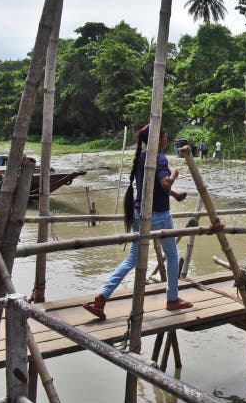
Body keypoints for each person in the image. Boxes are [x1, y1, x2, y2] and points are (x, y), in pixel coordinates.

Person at [82, 125, 192, 320]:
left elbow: (151, 185)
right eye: (165, 137)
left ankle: (101, 298)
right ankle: (172, 299)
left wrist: (173, 195)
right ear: (160, 140)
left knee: (132, 259)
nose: (166, 140)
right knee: (172, 255)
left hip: (139, 214)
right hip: (159, 216)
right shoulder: (159, 157)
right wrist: (174, 174)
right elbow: (164, 182)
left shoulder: (142, 158)